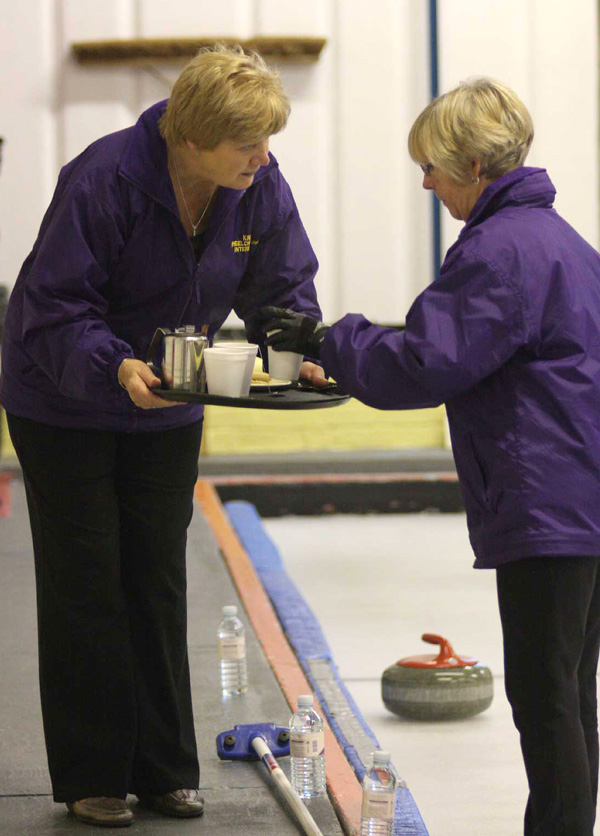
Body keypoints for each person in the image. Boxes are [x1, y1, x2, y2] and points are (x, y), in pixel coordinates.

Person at [258, 78, 600, 836]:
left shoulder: (500, 250)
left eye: (433, 167)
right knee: (572, 692)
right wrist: (344, 350)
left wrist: (325, 339)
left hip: (547, 499)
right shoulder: (561, 240)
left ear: (474, 165)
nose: (425, 182)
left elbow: (426, 363)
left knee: (547, 698)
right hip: (583, 490)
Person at [0, 44, 325, 828]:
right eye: (247, 143)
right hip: (64, 402)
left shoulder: (257, 186)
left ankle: (165, 772)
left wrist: (303, 351)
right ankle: (92, 776)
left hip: (169, 403)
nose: (263, 157)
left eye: (268, 140)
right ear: (190, 137)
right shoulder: (103, 179)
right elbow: (53, 309)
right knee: (89, 583)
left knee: (156, 576)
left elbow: (281, 288)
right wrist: (114, 368)